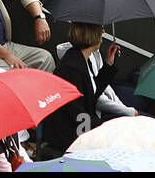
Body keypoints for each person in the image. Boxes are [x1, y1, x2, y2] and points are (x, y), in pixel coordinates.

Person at [39, 21, 120, 157]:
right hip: (66, 139)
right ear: (91, 34)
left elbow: (91, 94)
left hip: (78, 130)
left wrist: (108, 64)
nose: (103, 32)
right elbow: (77, 113)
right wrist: (106, 128)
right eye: (100, 28)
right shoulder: (71, 67)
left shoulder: (82, 59)